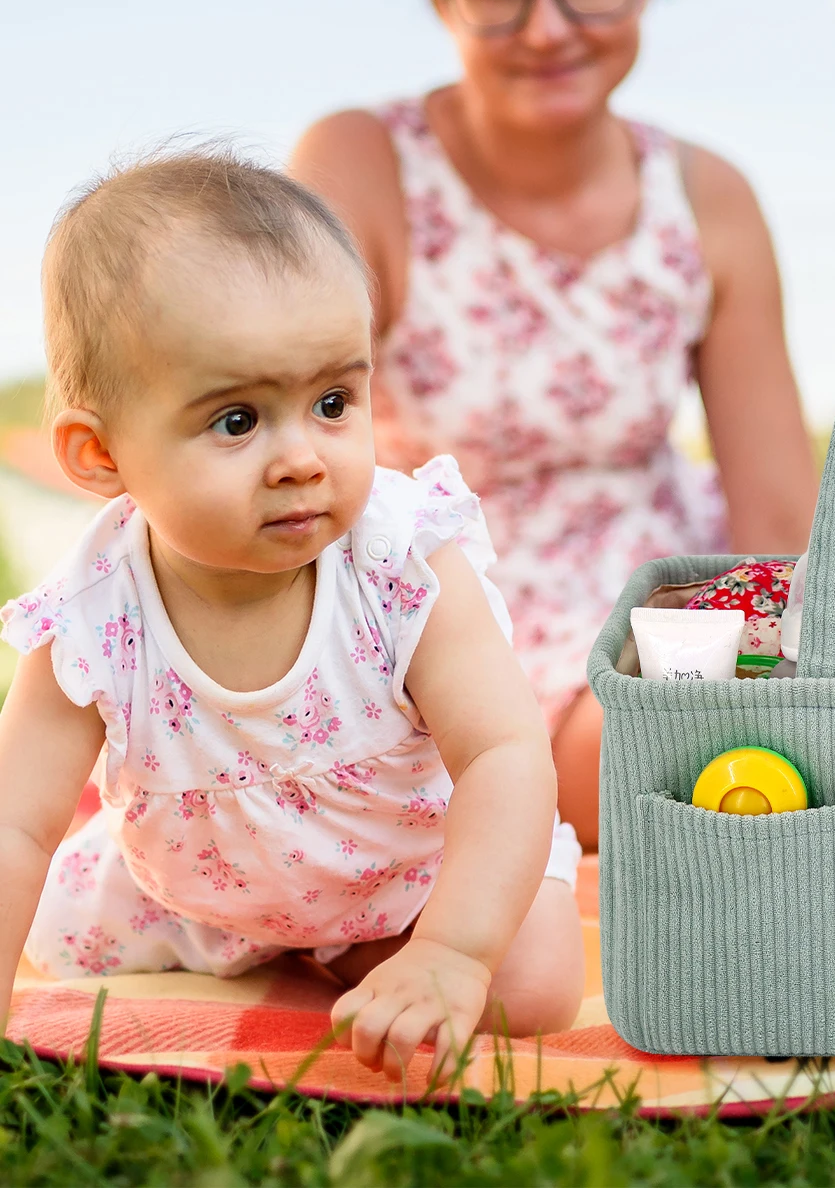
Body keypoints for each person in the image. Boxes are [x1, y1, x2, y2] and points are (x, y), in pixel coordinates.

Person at [289, 0, 819, 849]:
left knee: (731, 755)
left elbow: (778, 521)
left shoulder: (706, 196)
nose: (546, 28)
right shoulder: (362, 164)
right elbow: (285, 431)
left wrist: (786, 675)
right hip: (425, 619)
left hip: (650, 629)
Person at [0, 150, 583, 1085]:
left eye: (332, 402)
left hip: (412, 868)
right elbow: (15, 824)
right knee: (60, 943)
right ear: (100, 453)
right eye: (237, 421)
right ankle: (280, 946)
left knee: (538, 985)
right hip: (197, 884)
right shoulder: (89, 614)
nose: (303, 458)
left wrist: (454, 950)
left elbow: (505, 752)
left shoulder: (400, 559)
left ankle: (369, 953)